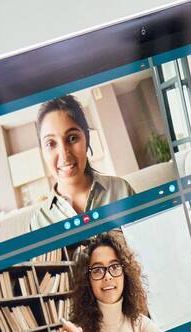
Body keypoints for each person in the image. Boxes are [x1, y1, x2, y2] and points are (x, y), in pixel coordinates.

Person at [37, 231, 159, 332]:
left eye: (114, 267)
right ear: (88, 281)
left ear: (125, 273)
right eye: (97, 269)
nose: (107, 276)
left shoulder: (141, 325)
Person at [29, 94, 134, 231]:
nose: (64, 155)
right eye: (51, 143)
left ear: (87, 139)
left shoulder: (121, 190)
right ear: (43, 152)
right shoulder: (40, 222)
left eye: (72, 138)